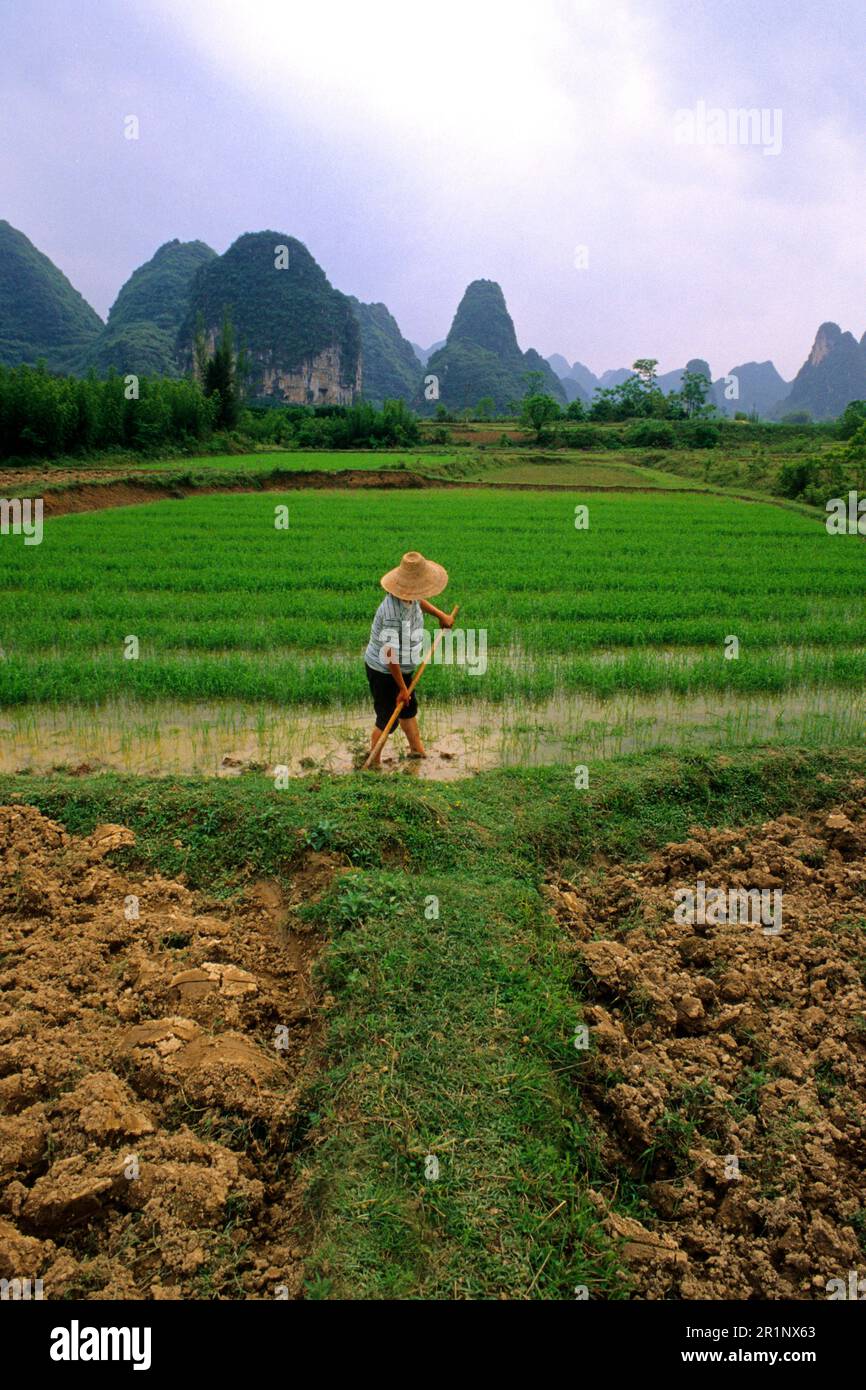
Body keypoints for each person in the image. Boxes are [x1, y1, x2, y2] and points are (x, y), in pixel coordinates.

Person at [364, 551, 453, 765]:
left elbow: (419, 602)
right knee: (387, 719)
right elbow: (389, 655)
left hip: (402, 666)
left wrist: (441, 615)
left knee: (408, 709)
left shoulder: (409, 597)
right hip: (385, 670)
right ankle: (373, 763)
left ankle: (417, 751)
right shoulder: (393, 614)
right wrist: (402, 688)